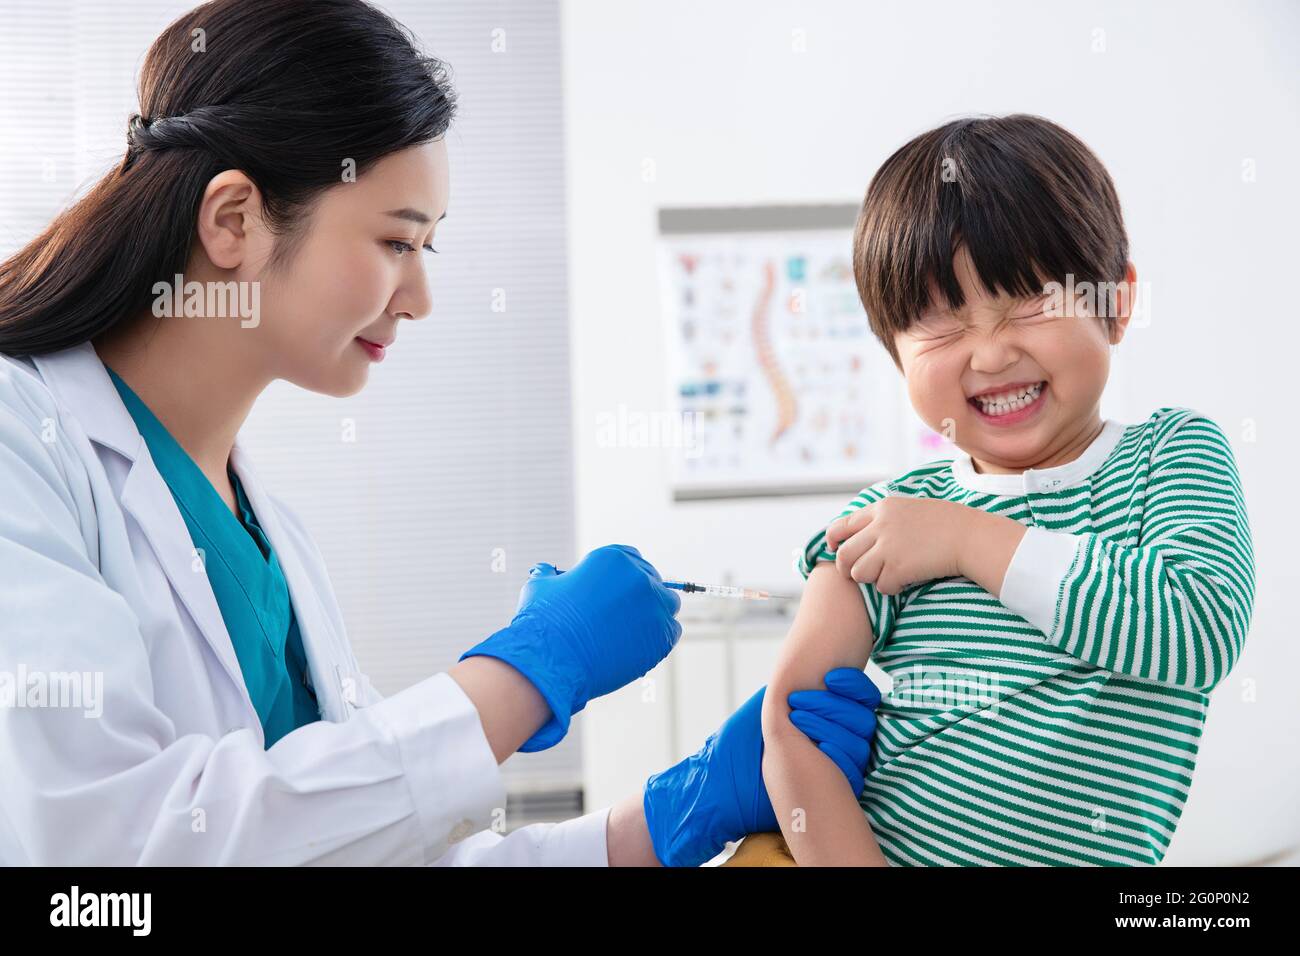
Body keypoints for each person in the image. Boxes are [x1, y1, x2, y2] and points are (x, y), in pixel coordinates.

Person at [0, 0, 880, 866]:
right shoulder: (21, 442)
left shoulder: (270, 534)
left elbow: (363, 853)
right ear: (234, 222)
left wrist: (668, 816)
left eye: (430, 249)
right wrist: (524, 676)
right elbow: (111, 851)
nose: (419, 298)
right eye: (395, 242)